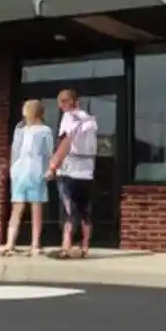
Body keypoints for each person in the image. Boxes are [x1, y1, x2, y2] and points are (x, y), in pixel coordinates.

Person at [46, 89, 98, 259]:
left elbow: (66, 142)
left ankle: (66, 248)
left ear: (72, 102)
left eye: (63, 101)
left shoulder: (68, 118)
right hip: (87, 171)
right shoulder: (89, 119)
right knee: (84, 211)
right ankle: (84, 247)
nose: (61, 105)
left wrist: (53, 165)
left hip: (69, 169)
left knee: (68, 211)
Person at [3, 99, 54, 257]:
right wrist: (50, 169)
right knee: (35, 207)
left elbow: (15, 152)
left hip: (22, 169)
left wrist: (12, 168)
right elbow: (48, 153)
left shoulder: (23, 130)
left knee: (19, 207)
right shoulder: (43, 131)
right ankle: (33, 244)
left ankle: (11, 243)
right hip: (34, 169)